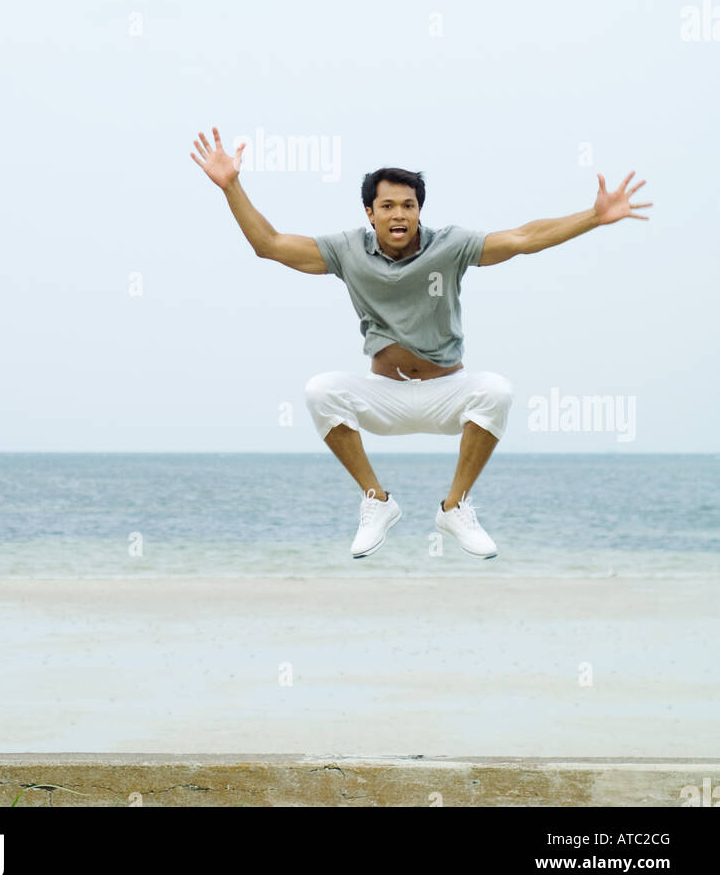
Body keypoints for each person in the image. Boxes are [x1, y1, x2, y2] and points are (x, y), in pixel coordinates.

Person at [191, 126, 651, 562]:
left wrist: (594, 216)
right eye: (387, 206)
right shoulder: (346, 250)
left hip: (446, 393)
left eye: (408, 206)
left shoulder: (449, 246)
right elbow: (269, 244)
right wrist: (231, 186)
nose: (399, 215)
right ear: (369, 213)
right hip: (384, 397)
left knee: (496, 390)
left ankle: (454, 508)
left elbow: (523, 239)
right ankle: (376, 501)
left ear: (419, 211)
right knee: (319, 390)